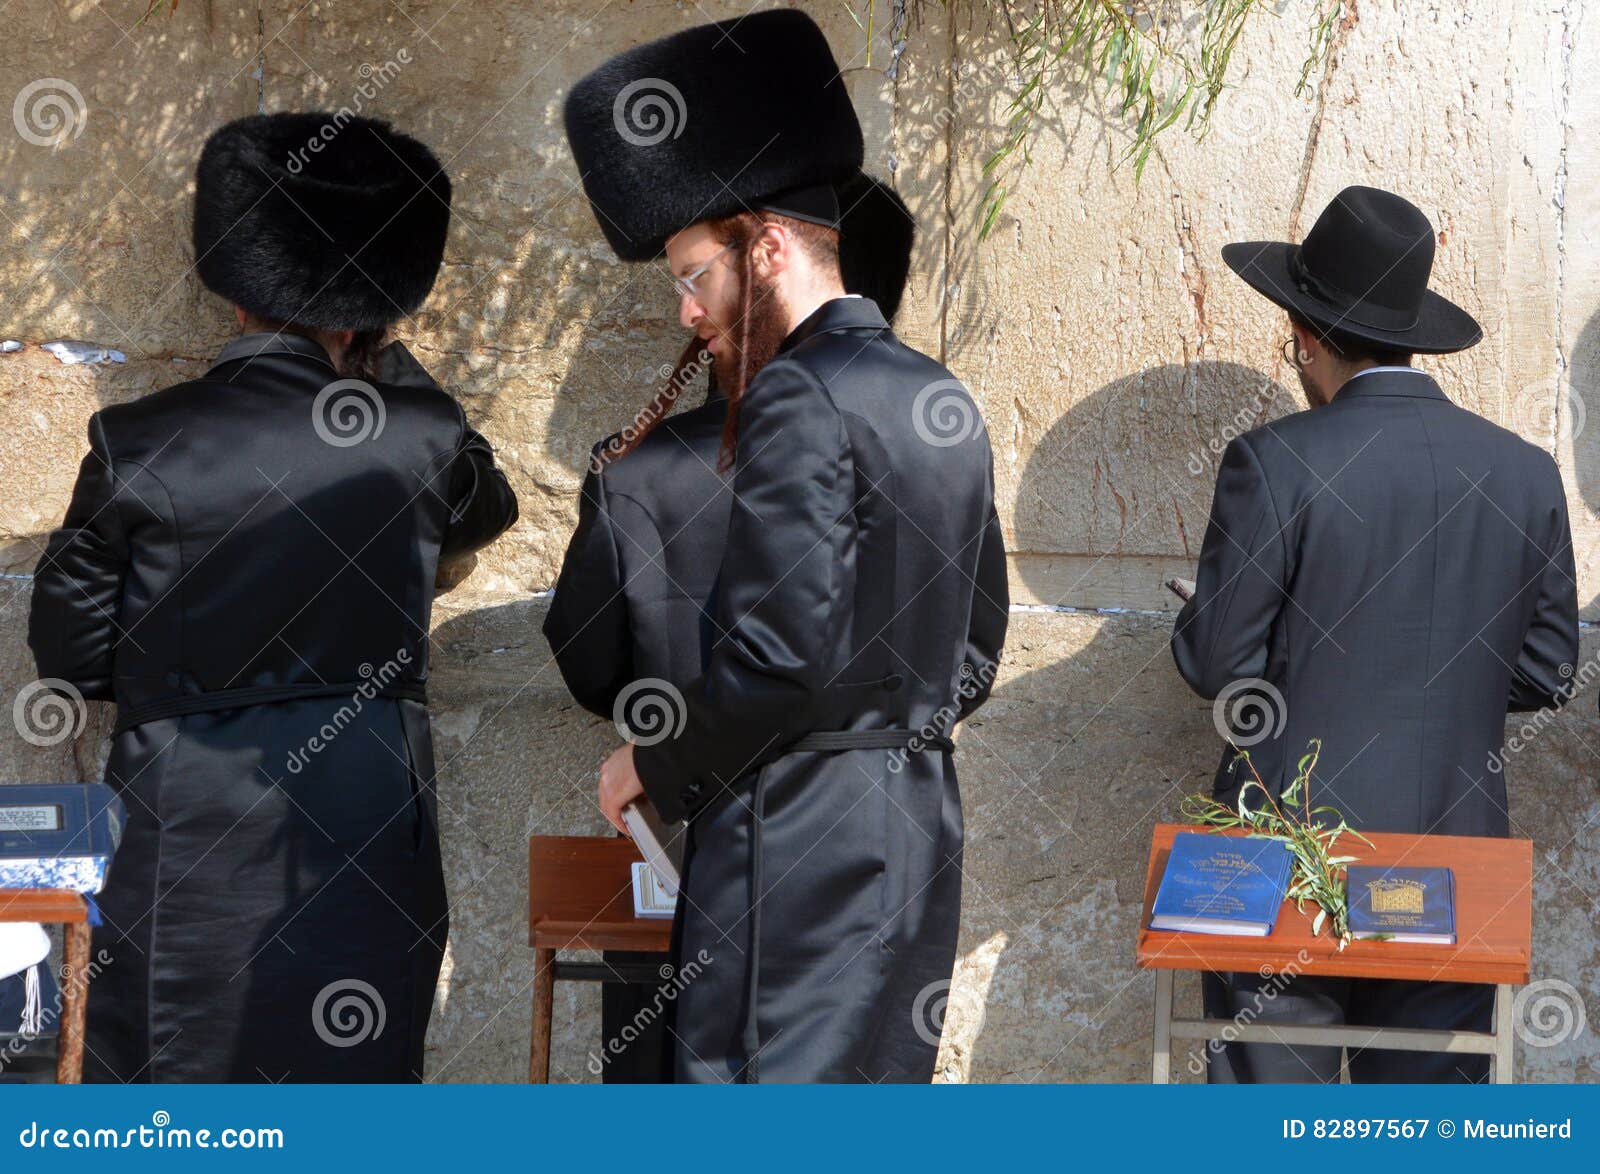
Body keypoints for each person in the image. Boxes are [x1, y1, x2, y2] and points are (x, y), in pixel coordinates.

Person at [562, 9, 1008, 1082]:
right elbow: (975, 649)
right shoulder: (933, 394)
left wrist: (651, 764)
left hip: (793, 840)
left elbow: (778, 659)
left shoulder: (793, 397)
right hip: (912, 822)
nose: (686, 311)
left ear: (764, 246)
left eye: (693, 273)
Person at [27, 112, 519, 1082]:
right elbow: (485, 508)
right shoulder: (419, 435)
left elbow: (71, 655)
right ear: (360, 306)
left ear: (238, 295)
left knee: (177, 1092)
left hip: (185, 823)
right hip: (369, 820)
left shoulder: (137, 439)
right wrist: (387, 356)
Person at [1173, 185, 1579, 1082]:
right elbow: (1550, 672)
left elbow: (1214, 662)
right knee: (1425, 1130)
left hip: (1285, 867)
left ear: (1305, 336)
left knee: (1274, 1131)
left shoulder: (1275, 460)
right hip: (1451, 861)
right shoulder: (1523, 473)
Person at [543, 172, 918, 1083]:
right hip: (880, 848)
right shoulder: (926, 439)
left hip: (689, 849)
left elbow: (591, 664)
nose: (686, 311)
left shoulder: (642, 476)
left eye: (693, 280)